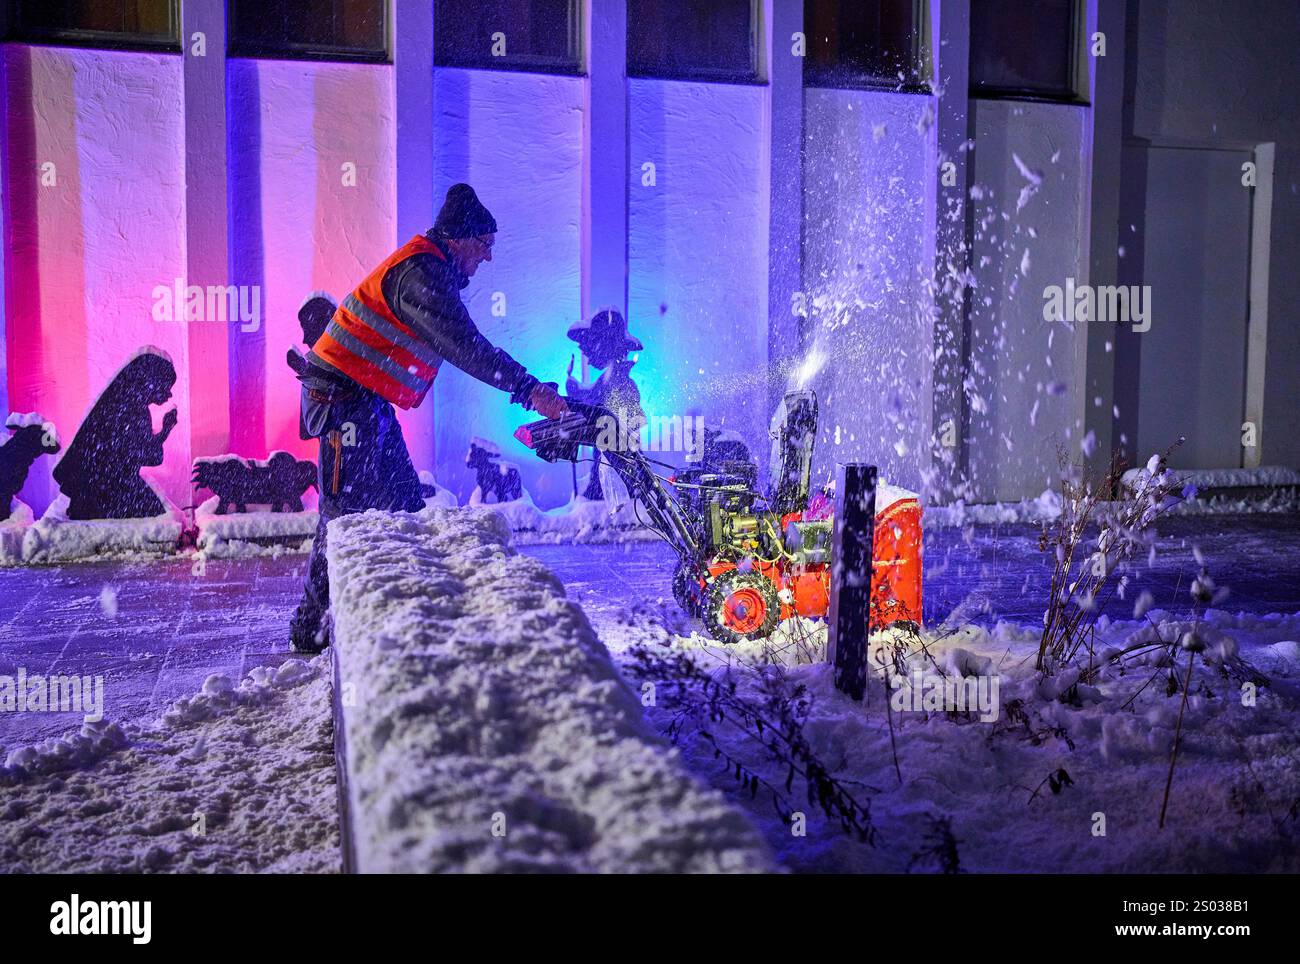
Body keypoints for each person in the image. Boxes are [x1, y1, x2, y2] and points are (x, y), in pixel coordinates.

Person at [289, 183, 568, 653]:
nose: (487, 259)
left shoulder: (430, 269)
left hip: (363, 395)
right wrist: (528, 389)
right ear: (458, 240)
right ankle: (311, 629)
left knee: (401, 499)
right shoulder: (423, 276)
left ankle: (396, 604)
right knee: (342, 514)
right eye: (484, 246)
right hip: (340, 400)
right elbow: (467, 347)